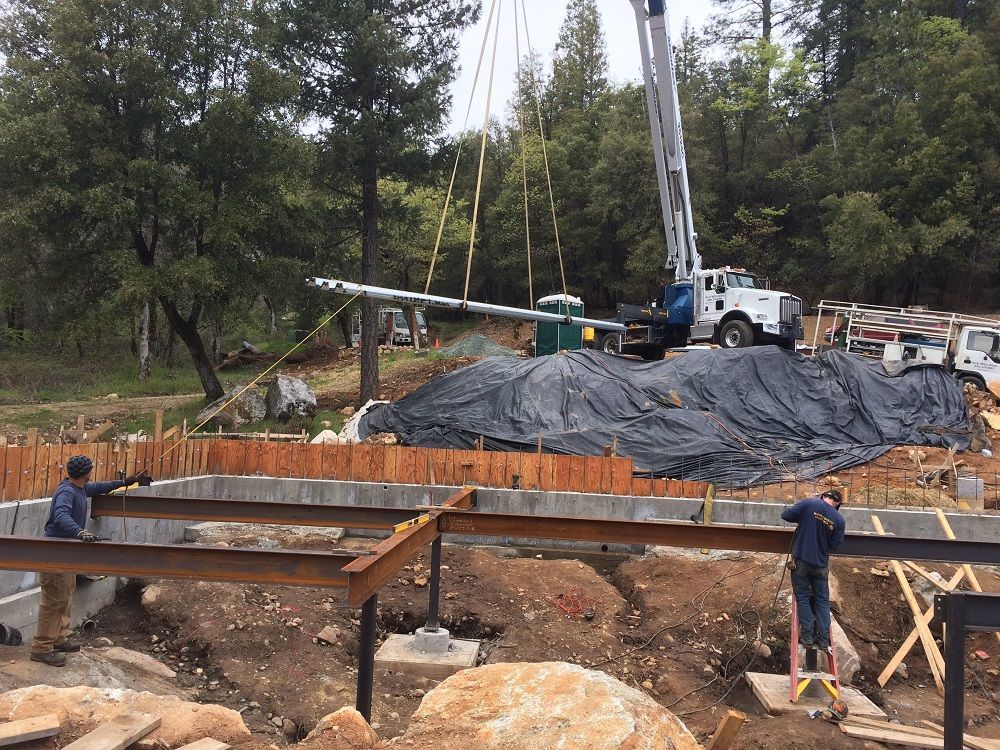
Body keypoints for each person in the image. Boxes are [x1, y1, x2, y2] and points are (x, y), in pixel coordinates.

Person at [30, 455, 150, 667]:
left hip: (66, 554)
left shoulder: (80, 487)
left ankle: (58, 639)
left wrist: (125, 482)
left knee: (65, 595)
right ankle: (41, 648)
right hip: (54, 554)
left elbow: (101, 487)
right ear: (86, 473)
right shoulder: (67, 492)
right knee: (54, 600)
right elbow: (61, 515)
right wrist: (80, 532)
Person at [780, 489, 845, 652]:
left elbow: (786, 515)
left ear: (823, 496)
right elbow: (835, 546)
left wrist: (804, 519)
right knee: (822, 601)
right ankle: (823, 641)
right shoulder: (839, 519)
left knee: (802, 597)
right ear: (837, 504)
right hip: (820, 566)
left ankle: (807, 638)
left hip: (801, 562)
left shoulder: (809, 503)